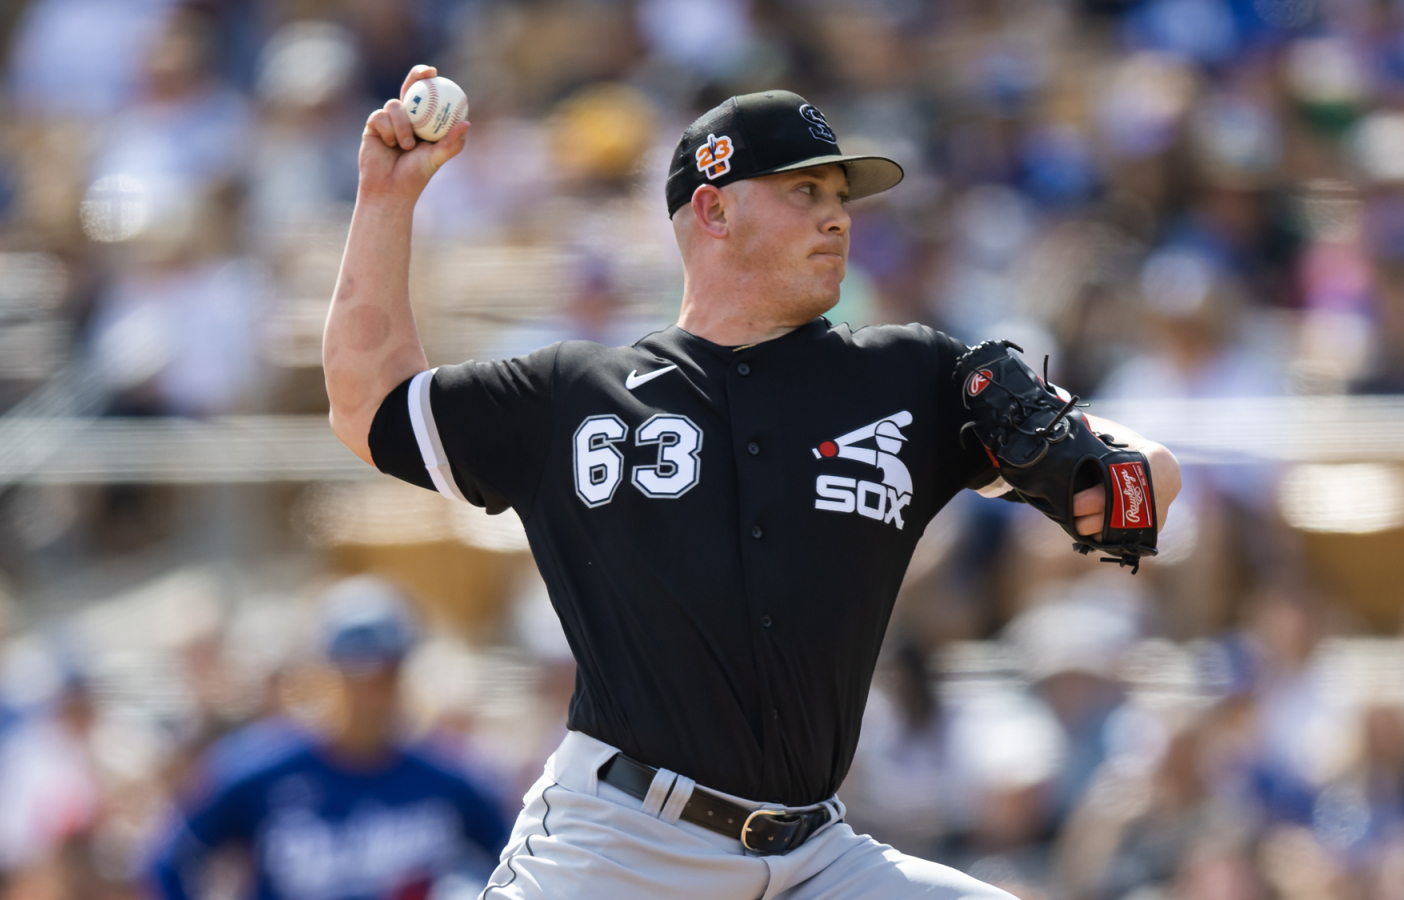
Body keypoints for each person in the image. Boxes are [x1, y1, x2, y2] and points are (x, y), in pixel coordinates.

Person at [324, 66, 1180, 898]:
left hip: (816, 853)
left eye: (842, 199)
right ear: (713, 208)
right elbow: (369, 406)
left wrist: (1088, 450)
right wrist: (386, 197)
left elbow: (1143, 484)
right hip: (621, 848)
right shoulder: (574, 395)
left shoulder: (909, 376)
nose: (837, 219)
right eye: (804, 193)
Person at [145, 576, 508, 900]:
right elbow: (168, 862)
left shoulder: (448, 775)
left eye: (386, 672)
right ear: (323, 672)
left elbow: (517, 861)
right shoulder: (254, 771)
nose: (371, 692)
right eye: (356, 673)